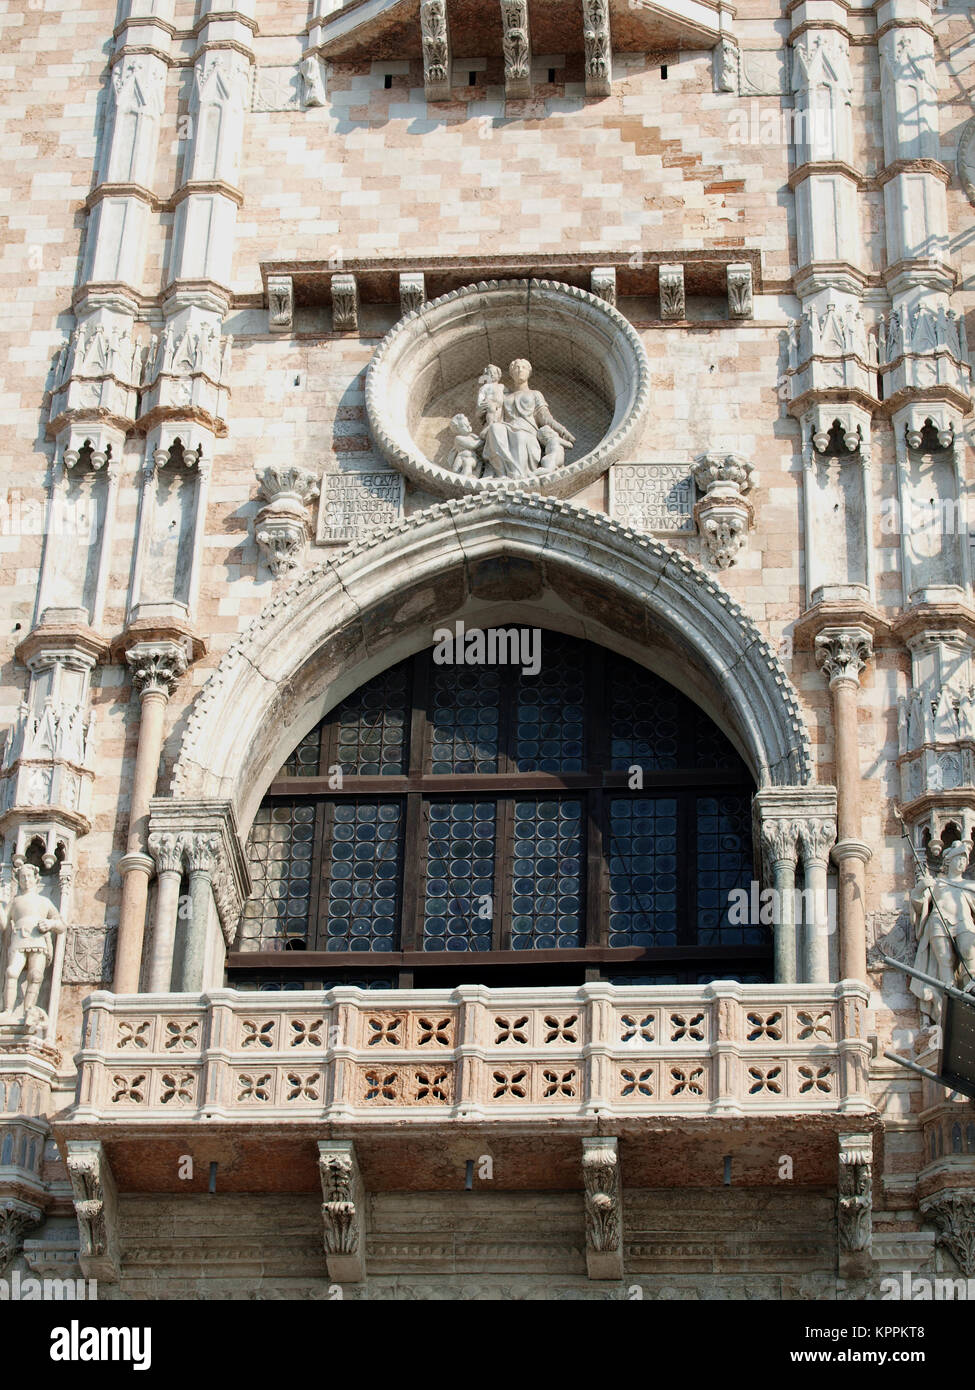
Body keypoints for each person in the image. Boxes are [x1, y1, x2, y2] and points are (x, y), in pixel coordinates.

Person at [909, 840, 975, 1022]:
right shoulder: (937, 883)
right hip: (939, 922)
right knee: (944, 962)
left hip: (964, 923)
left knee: (969, 954)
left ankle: (970, 994)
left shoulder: (970, 886)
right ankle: (949, 1004)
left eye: (964, 859)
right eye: (958, 859)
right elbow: (918, 903)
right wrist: (921, 888)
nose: (962, 863)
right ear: (949, 862)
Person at [479, 359, 575, 479]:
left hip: (527, 431)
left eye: (523, 367)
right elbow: (495, 416)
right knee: (495, 429)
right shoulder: (505, 396)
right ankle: (501, 474)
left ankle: (519, 475)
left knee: (520, 437)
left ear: (529, 372)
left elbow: (545, 417)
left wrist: (562, 431)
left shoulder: (535, 394)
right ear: (511, 373)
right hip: (507, 427)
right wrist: (487, 407)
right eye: (516, 368)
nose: (520, 370)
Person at [1, 863, 64, 1023]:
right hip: (19, 938)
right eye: (22, 877)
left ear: (36, 878)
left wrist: (50, 924)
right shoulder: (15, 902)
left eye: (28, 876)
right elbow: (3, 924)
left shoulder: (44, 901)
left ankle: (28, 1010)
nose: (26, 880)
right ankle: (8, 1010)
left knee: (35, 975)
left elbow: (61, 924)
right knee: (11, 972)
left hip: (38, 939)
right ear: (18, 880)